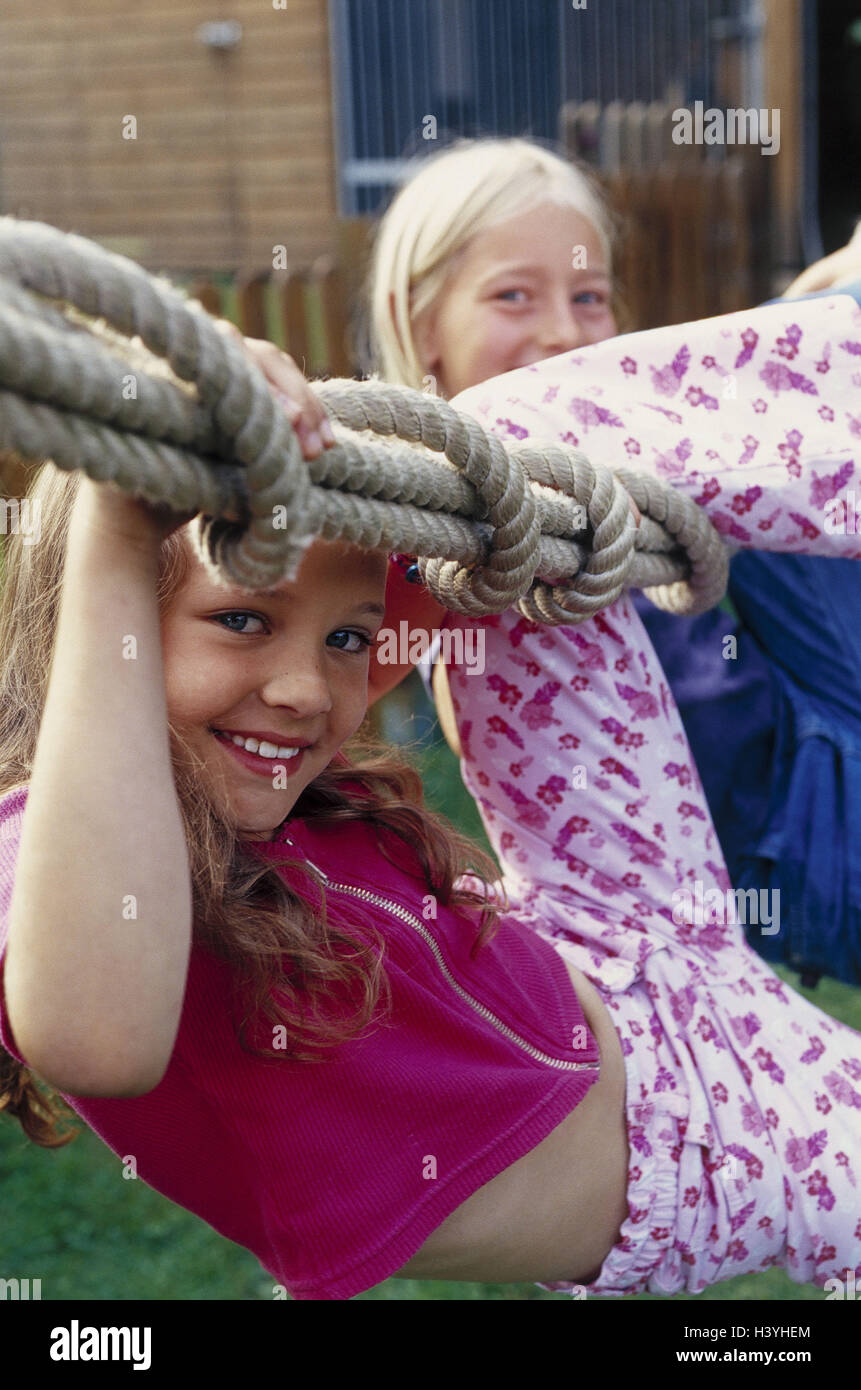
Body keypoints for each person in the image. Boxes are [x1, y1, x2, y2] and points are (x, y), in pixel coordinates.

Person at [1, 306, 860, 1303]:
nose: (305, 690)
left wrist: (277, 430)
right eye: (242, 618)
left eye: (346, 640)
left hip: (623, 941)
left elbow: (430, 555)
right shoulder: (48, 846)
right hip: (721, 1148)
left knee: (524, 440)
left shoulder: (279, 785)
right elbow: (98, 1039)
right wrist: (117, 524)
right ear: (97, 615)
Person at [364, 136, 861, 986]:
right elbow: (353, 651)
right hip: (805, 828)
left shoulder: (603, 456)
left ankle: (828, 294)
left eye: (589, 297)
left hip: (815, 730)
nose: (562, 330)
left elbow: (758, 426)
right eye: (513, 296)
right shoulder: (434, 512)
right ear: (420, 326)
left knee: (753, 412)